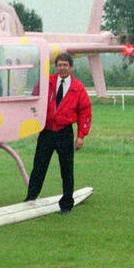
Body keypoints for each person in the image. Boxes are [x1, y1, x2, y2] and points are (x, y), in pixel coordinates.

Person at [25, 52, 91, 213]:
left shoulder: (78, 88)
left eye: (65, 65)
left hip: (64, 133)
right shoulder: (47, 83)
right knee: (39, 167)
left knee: (66, 169)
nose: (62, 68)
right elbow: (35, 99)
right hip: (46, 131)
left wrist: (81, 135)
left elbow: (85, 112)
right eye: (59, 65)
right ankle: (31, 198)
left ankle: (67, 203)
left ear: (71, 67)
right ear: (56, 66)